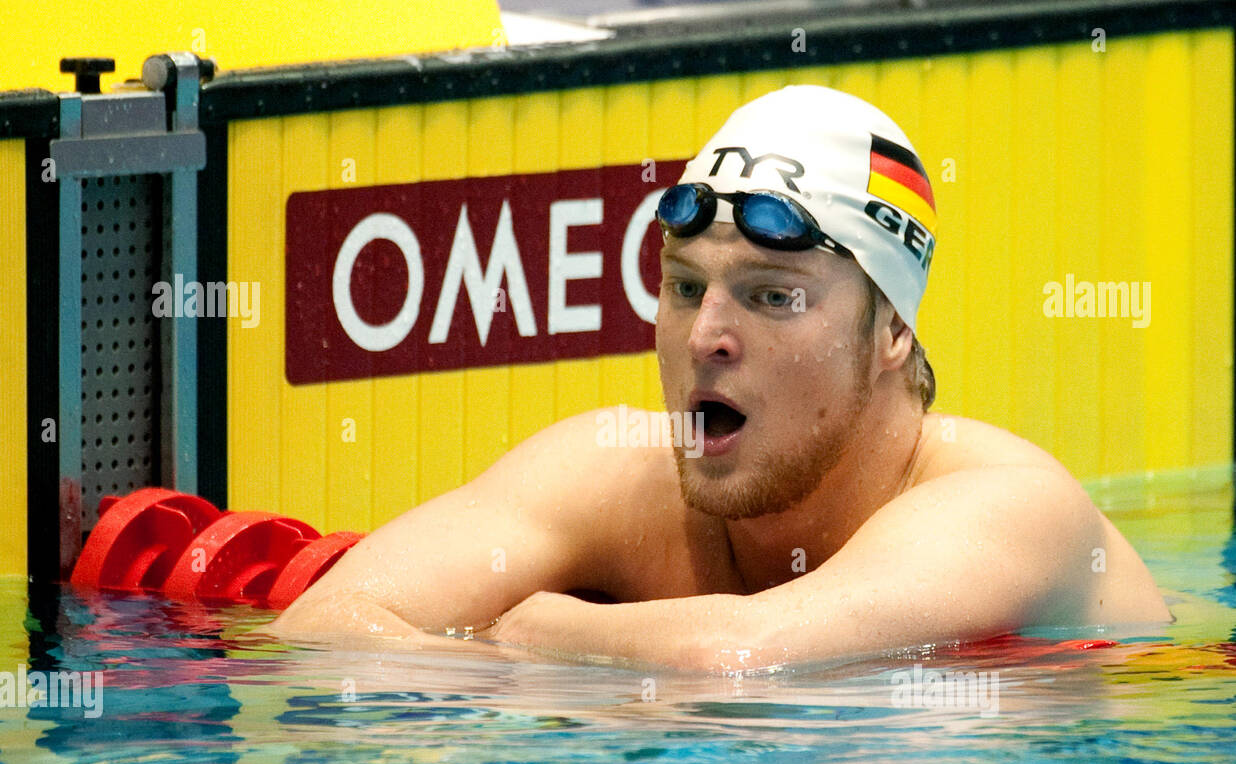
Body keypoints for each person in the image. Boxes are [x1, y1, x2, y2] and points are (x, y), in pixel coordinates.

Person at [270, 85, 1171, 669]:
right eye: (685, 285)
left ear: (892, 330)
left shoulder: (1010, 507)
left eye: (771, 297)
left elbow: (746, 657)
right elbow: (326, 625)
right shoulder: (614, 476)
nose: (706, 336)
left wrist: (541, 630)